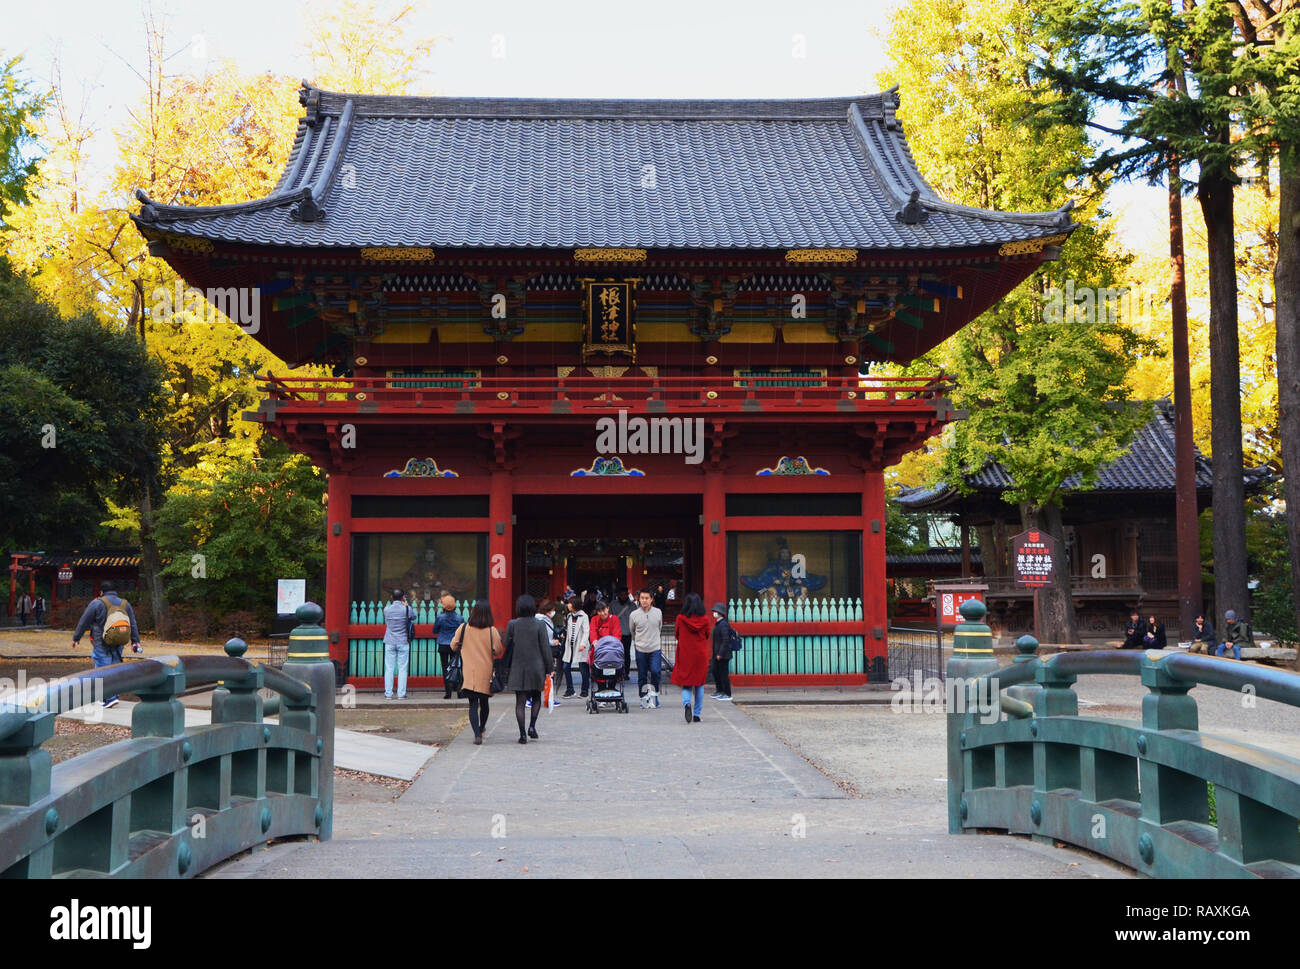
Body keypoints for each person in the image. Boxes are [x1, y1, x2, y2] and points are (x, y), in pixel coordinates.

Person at [71, 581, 141, 709]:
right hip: (119, 640)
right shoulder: (125, 604)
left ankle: (110, 698)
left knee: (103, 668)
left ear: (101, 592)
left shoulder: (97, 603)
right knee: (114, 667)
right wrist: (135, 641)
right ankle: (110, 695)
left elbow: (84, 621)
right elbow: (133, 623)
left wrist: (76, 638)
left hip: (101, 641)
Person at [449, 600, 505, 745]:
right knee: (484, 703)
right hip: (485, 672)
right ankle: (481, 728)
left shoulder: (464, 628)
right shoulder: (492, 631)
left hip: (469, 671)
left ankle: (476, 734)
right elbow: (498, 650)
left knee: (472, 704)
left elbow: (453, 645)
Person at [505, 594, 554, 744]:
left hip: (518, 666)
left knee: (520, 702)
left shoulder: (512, 624)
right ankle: (532, 726)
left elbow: (507, 644)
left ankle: (522, 734)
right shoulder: (539, 624)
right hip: (536, 666)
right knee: (536, 698)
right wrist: (549, 667)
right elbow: (545, 648)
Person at [672, 593, 712, 723]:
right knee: (699, 684)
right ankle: (697, 714)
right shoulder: (705, 620)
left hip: (685, 654)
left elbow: (676, 634)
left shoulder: (680, 618)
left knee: (687, 683)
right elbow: (707, 635)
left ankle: (687, 704)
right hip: (700, 654)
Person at [629, 588, 664, 702]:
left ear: (651, 599)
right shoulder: (633, 615)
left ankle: (654, 694)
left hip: (655, 648)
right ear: (638, 599)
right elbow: (632, 631)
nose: (644, 601)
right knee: (642, 675)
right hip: (641, 648)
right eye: (642, 598)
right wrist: (638, 642)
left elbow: (660, 627)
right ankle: (643, 697)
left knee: (655, 671)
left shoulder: (658, 612)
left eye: (647, 598)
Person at [381, 589, 414, 700]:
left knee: (389, 668)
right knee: (402, 669)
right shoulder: (407, 609)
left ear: (391, 597)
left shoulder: (387, 610)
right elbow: (413, 616)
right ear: (402, 597)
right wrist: (406, 604)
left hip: (390, 641)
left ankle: (388, 694)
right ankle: (401, 694)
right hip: (403, 641)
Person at [433, 594, 466, 699]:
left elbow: (435, 630)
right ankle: (459, 690)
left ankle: (448, 692)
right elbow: (463, 631)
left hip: (443, 644)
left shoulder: (440, 617)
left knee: (445, 668)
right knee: (457, 666)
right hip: (455, 645)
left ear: (443, 606)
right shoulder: (459, 618)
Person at [587, 598, 621, 697]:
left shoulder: (614, 619)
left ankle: (612, 687)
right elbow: (593, 633)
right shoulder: (594, 619)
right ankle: (601, 688)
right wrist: (594, 642)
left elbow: (617, 634)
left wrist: (610, 645)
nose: (602, 613)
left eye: (604, 610)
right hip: (598, 650)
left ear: (608, 609)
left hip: (612, 649)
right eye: (599, 611)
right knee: (598, 669)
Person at [561, 597, 589, 697]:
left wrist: (583, 644)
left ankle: (585, 690)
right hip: (570, 646)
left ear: (574, 605)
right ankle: (570, 689)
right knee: (565, 666)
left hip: (580, 646)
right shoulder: (569, 616)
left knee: (583, 669)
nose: (568, 605)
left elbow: (586, 631)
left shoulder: (584, 616)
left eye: (569, 603)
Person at [537, 599, 563, 705]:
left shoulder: (541, 619)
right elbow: (545, 639)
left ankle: (547, 698)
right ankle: (547, 699)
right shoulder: (543, 621)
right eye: (552, 610)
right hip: (545, 651)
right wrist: (554, 642)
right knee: (548, 675)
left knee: (544, 676)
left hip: (542, 651)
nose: (553, 612)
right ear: (547, 610)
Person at [709, 602, 735, 701]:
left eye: (715, 611)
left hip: (723, 655)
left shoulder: (723, 624)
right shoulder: (719, 623)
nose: (714, 613)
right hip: (717, 653)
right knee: (716, 672)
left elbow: (725, 640)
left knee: (723, 674)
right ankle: (720, 691)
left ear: (719, 612)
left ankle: (727, 693)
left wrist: (720, 653)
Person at [615, 587, 635, 679]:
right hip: (616, 633)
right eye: (621, 594)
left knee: (626, 653)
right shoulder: (613, 605)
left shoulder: (633, 606)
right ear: (618, 595)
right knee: (617, 653)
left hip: (627, 632)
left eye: (625, 594)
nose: (623, 596)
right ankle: (618, 672)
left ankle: (626, 672)